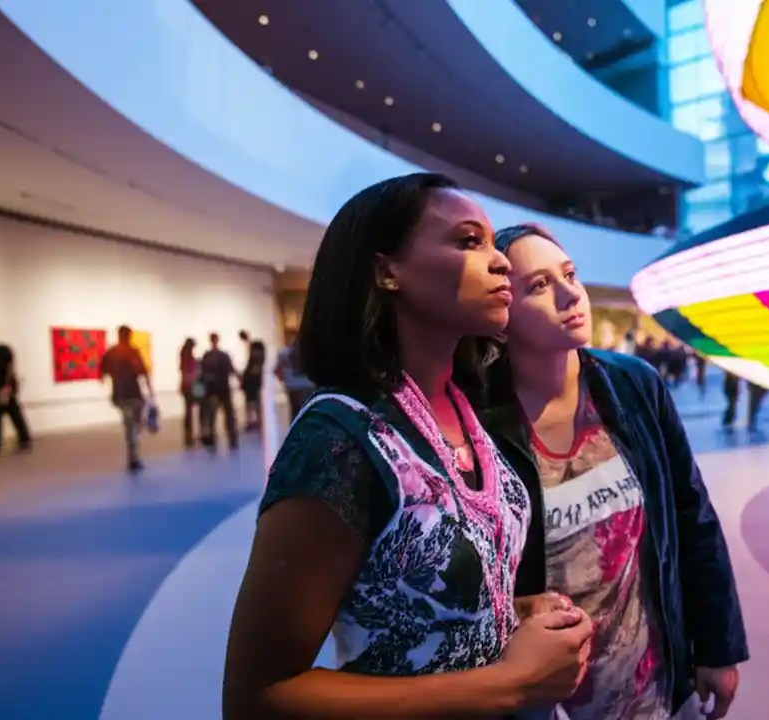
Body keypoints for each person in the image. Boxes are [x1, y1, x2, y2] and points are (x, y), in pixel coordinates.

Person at [224, 174, 594, 719]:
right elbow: (257, 698)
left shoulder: (462, 406)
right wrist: (512, 683)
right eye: (468, 241)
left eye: (493, 244)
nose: (500, 263)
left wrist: (515, 612)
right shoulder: (341, 439)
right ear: (387, 272)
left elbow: (416, 608)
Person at [477, 224, 748, 720]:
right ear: (501, 315)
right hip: (548, 697)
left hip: (658, 686)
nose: (569, 295)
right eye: (539, 285)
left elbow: (692, 516)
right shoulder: (478, 419)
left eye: (569, 274)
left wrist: (717, 645)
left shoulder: (632, 384)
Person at [99, 325, 155, 473]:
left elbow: (102, 371)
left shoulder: (111, 353)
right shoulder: (132, 352)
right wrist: (150, 389)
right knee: (133, 426)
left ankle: (133, 453)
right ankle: (133, 457)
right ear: (128, 336)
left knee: (131, 425)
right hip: (132, 394)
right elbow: (143, 372)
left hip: (120, 394)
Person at [199, 333, 239, 451]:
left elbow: (202, 373)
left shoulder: (208, 356)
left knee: (215, 414)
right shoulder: (221, 355)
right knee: (225, 414)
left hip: (215, 389)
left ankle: (217, 438)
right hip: (220, 388)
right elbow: (231, 369)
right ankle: (230, 438)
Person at [273, 336, 314, 425]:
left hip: (292, 386)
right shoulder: (309, 352)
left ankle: (296, 428)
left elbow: (277, 370)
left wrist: (284, 381)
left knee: (295, 411)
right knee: (309, 410)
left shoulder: (284, 352)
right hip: (308, 385)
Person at [239, 330, 266, 432]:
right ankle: (253, 420)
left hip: (253, 380)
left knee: (253, 402)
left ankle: (255, 420)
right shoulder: (256, 358)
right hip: (251, 380)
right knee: (251, 402)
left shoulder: (256, 358)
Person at [179, 338, 201, 447]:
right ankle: (195, 433)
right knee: (198, 408)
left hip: (187, 386)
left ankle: (189, 435)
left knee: (188, 411)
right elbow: (192, 373)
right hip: (193, 386)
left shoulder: (184, 357)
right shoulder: (188, 358)